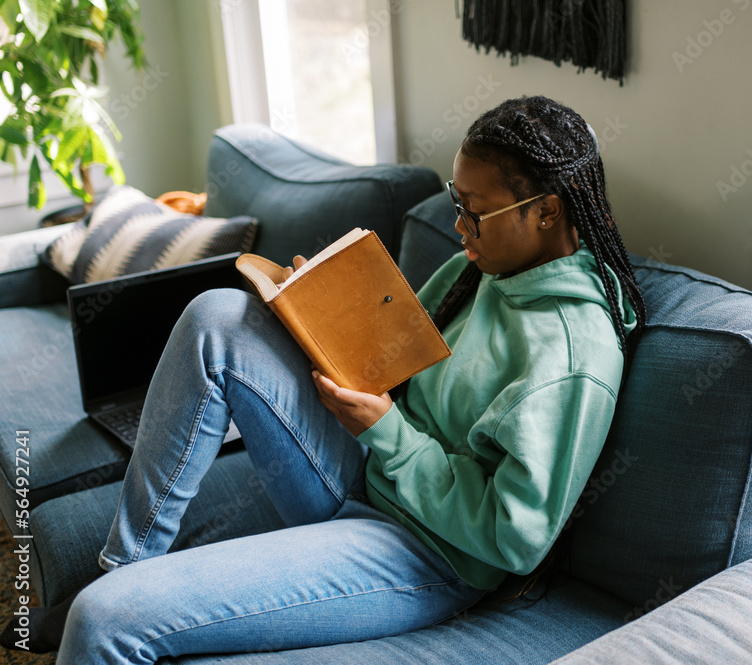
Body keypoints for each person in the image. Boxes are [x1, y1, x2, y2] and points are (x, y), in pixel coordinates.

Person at [1, 94, 646, 662]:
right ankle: (125, 567)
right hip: (363, 466)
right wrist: (318, 315)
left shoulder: (571, 355)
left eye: (475, 211)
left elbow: (514, 539)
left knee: (102, 620)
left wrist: (390, 433)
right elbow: (394, 367)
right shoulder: (480, 270)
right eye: (457, 203)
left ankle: (111, 596)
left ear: (548, 212)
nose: (458, 226)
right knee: (219, 315)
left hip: (428, 553)